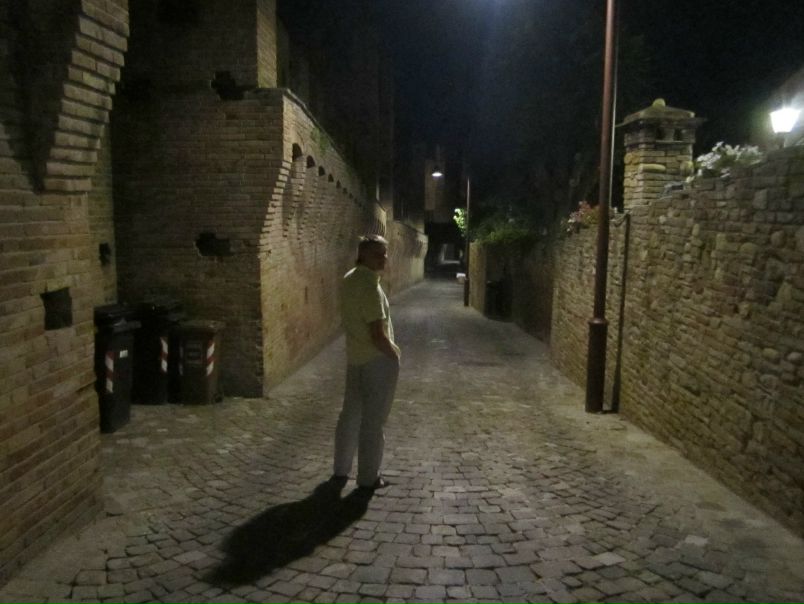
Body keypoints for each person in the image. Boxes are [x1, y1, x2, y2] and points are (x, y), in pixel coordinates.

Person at [332, 234, 400, 492]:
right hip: (376, 361)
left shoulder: (349, 279)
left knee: (349, 415)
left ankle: (341, 469)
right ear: (363, 255)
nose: (383, 258)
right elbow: (377, 334)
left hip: (355, 358)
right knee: (373, 421)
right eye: (377, 254)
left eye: (384, 253)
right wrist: (394, 355)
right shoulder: (370, 286)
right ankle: (368, 477)